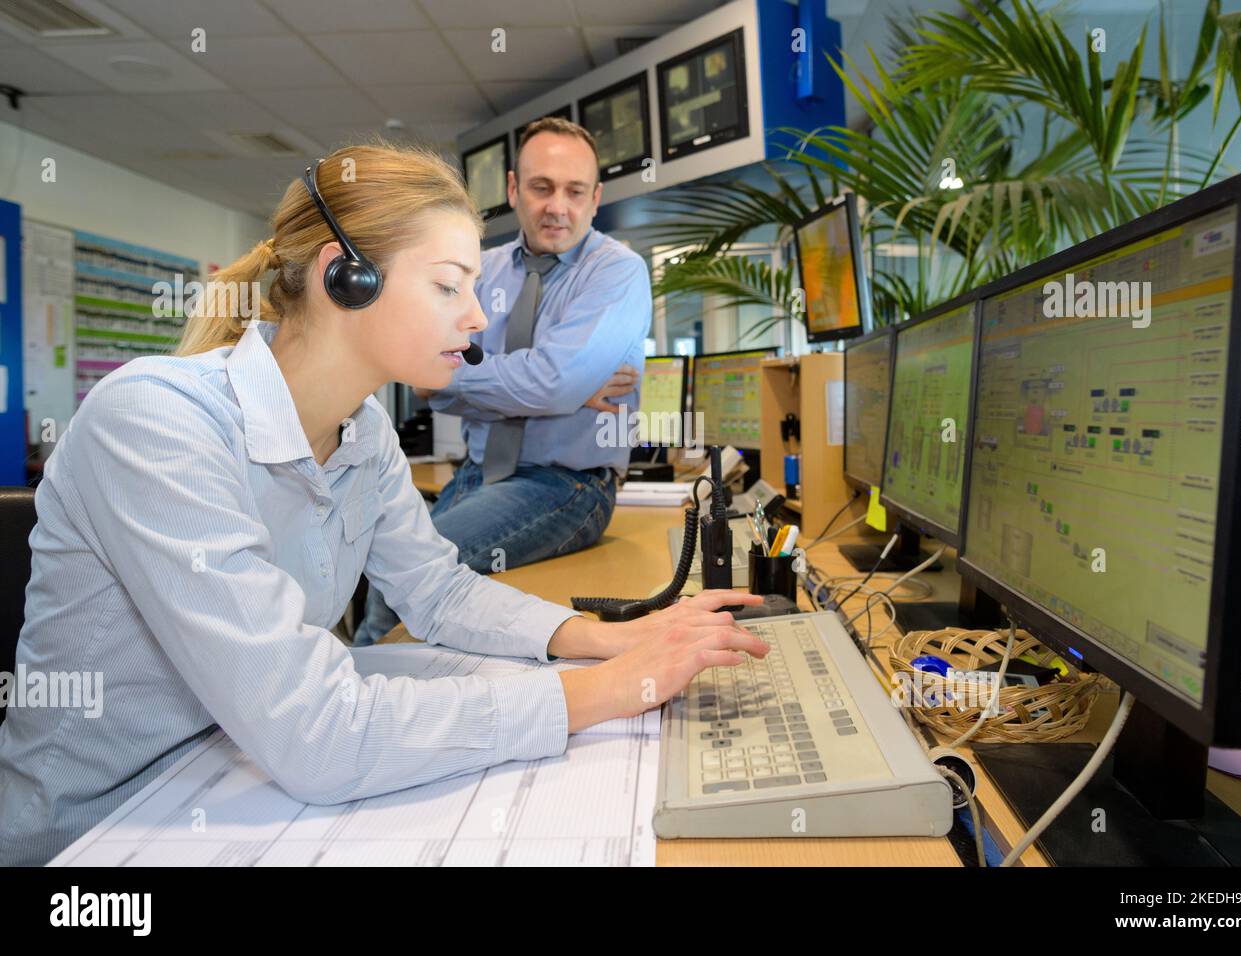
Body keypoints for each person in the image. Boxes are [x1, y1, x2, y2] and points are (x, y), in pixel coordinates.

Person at [0, 142, 766, 867]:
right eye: (447, 285)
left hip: (235, 766)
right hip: (104, 829)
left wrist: (604, 641)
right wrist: (599, 692)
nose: (475, 319)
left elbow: (435, 591)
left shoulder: (361, 429)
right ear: (346, 278)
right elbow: (315, 732)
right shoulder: (156, 422)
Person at [353, 117, 650, 646]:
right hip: (475, 474)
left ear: (596, 197)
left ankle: (355, 690)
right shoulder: (480, 267)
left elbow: (545, 382)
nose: (557, 206)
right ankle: (359, 688)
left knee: (405, 581)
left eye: (575, 191)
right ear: (514, 187)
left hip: (564, 485)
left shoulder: (617, 272)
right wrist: (555, 386)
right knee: (383, 568)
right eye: (541, 187)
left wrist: (466, 377)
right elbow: (427, 375)